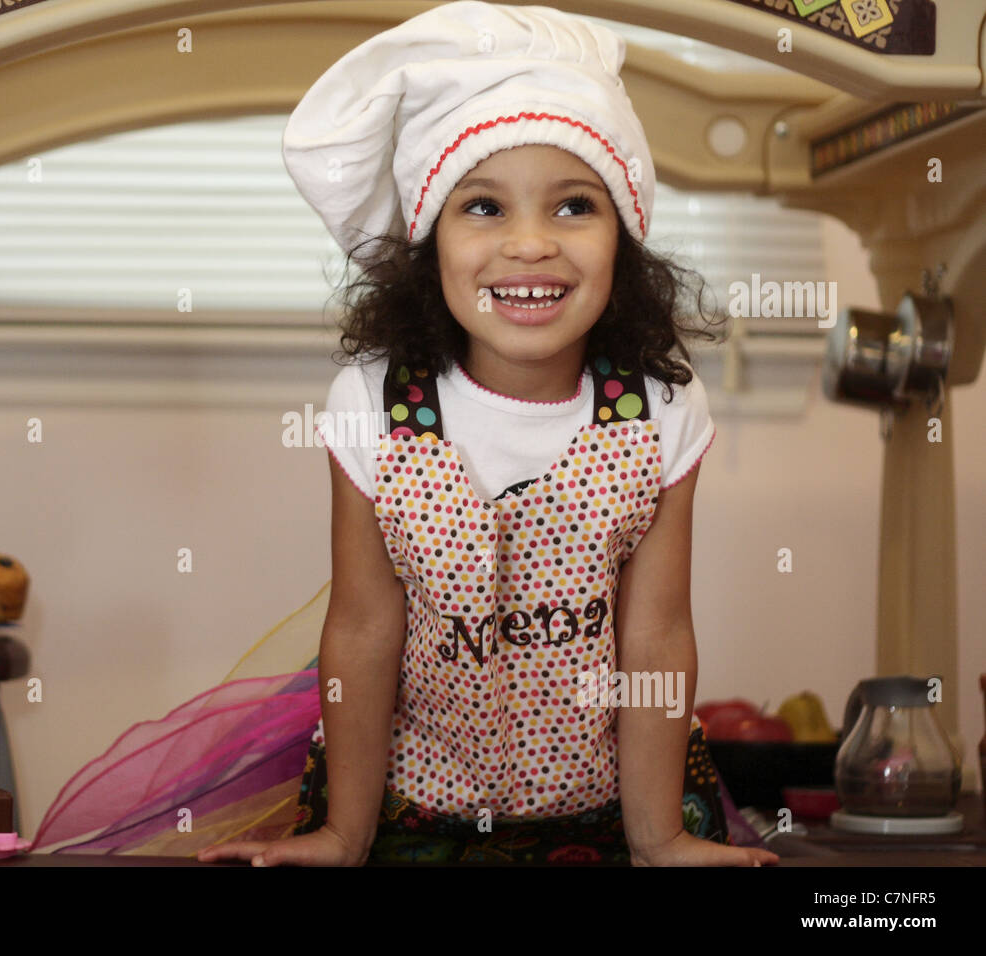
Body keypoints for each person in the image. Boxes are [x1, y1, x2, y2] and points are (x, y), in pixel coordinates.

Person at [196, 1, 779, 867]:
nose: (531, 244)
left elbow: (655, 632)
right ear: (428, 245)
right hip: (413, 809)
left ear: (626, 234)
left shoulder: (660, 408)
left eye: (575, 205)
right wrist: (345, 834)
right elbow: (361, 628)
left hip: (604, 811)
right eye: (484, 208)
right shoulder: (373, 402)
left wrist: (656, 838)